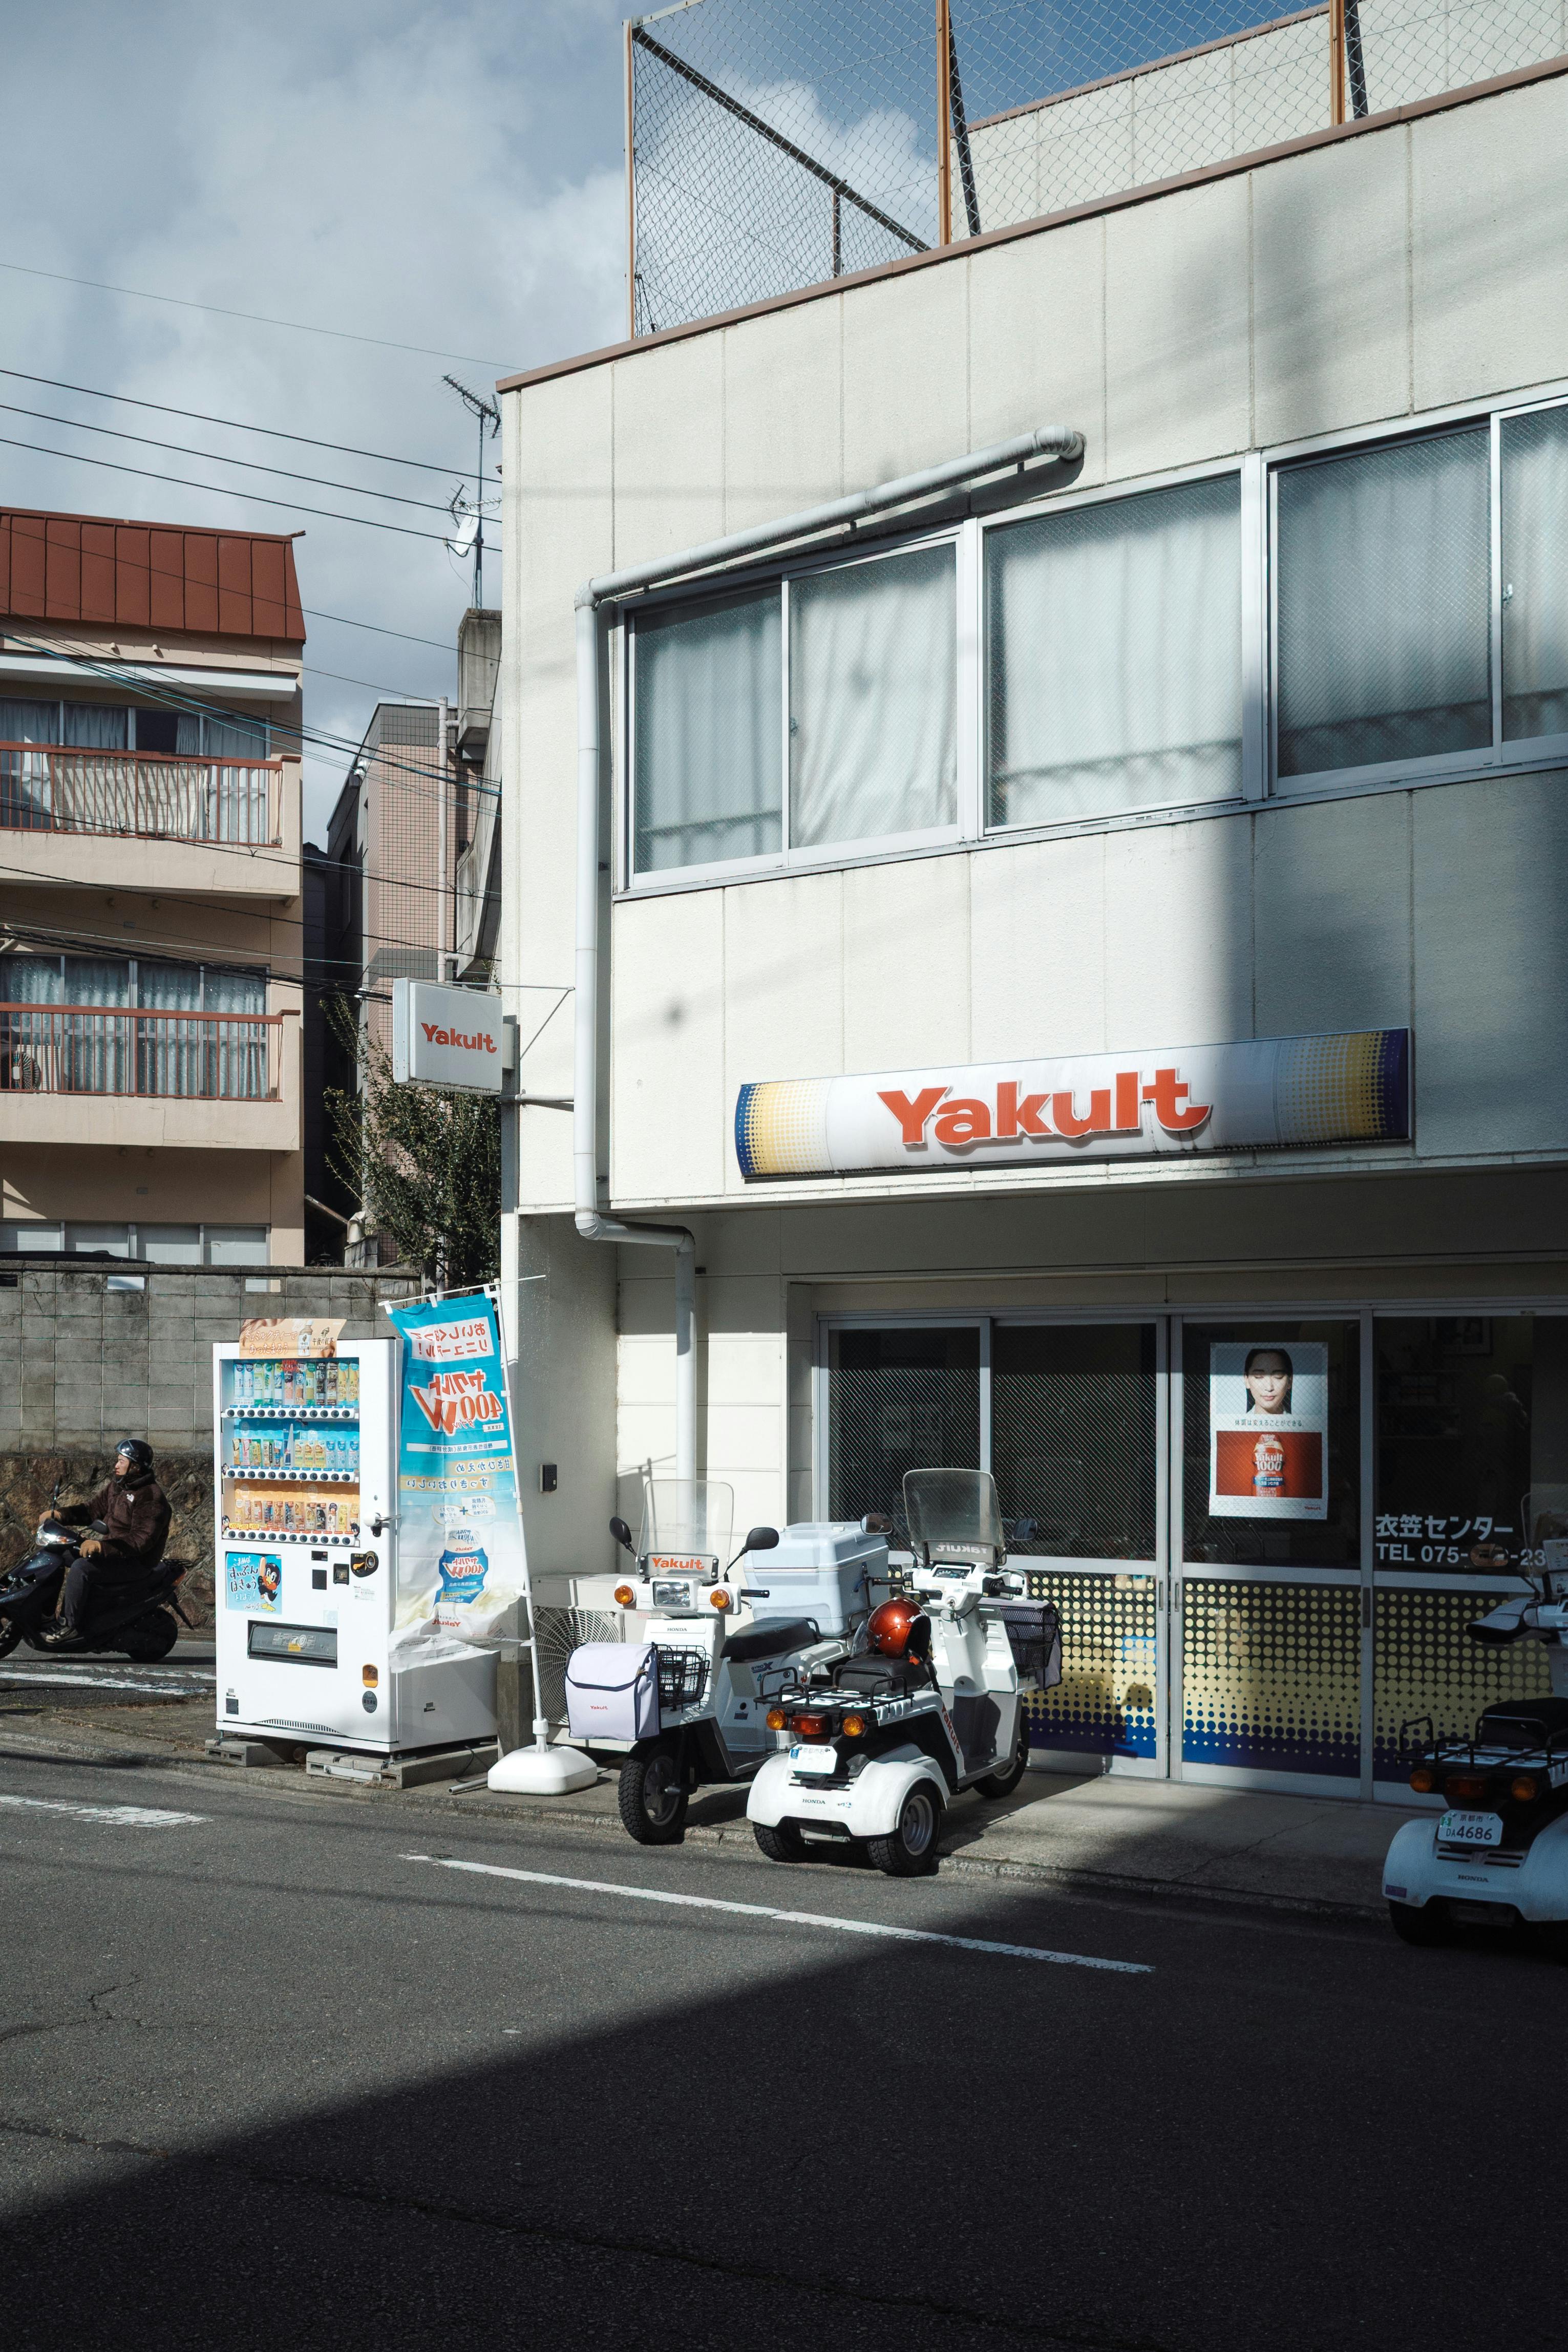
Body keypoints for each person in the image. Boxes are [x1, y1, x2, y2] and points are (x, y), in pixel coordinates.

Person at [40, 1439, 172, 1647]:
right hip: (113, 1554)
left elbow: (141, 1540)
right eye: (117, 1460)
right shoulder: (118, 1486)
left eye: (121, 1461)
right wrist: (60, 1515)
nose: (116, 1465)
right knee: (55, 1551)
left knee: (81, 1568)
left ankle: (70, 1626)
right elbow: (92, 1510)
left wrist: (101, 1547)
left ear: (136, 1467)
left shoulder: (151, 1497)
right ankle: (45, 1614)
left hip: (134, 1563)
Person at [1243, 1346, 1294, 1416]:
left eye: (1278, 1376)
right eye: (1259, 1376)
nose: (1269, 1388)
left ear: (1290, 1381)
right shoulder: (1234, 1423)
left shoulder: (1300, 1423)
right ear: (1247, 1380)